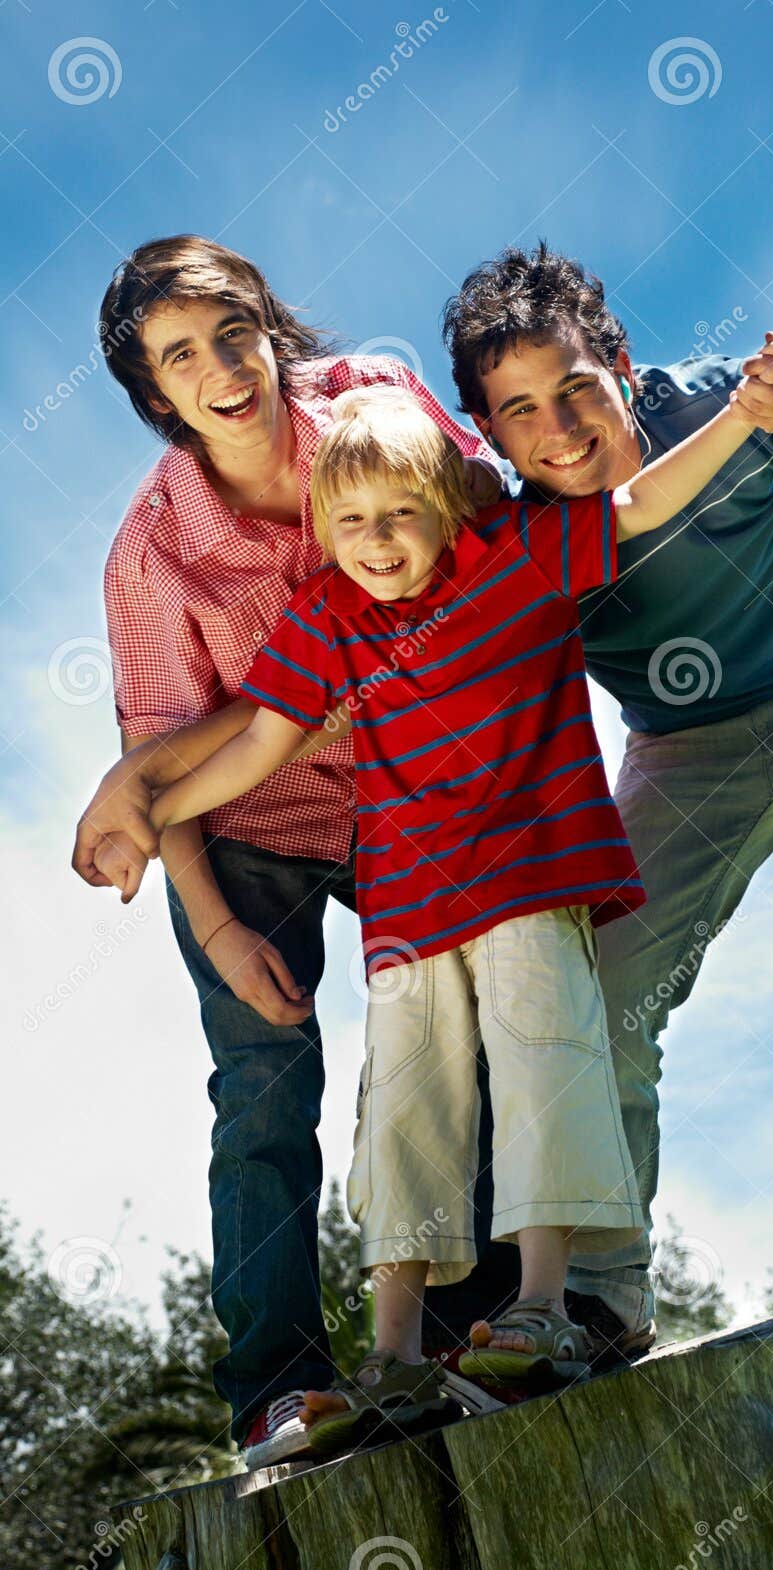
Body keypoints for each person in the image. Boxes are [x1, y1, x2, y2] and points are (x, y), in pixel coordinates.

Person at [132, 368, 771, 1452]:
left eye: (399, 514)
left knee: (541, 1073)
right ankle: (395, 1354)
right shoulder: (329, 616)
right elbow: (262, 743)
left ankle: (542, 1304)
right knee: (404, 1110)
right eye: (350, 522)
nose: (376, 540)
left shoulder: (517, 558)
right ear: (323, 532)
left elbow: (639, 503)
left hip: (528, 883)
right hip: (409, 910)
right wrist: (150, 813)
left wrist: (745, 418)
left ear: (444, 507)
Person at [441, 244, 773, 1340]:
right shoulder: (521, 541)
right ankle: (605, 1291)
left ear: (622, 367)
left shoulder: (712, 405)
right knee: (603, 985)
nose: (560, 428)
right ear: (488, 433)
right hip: (687, 746)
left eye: (576, 387)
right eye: (521, 411)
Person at [70, 235, 506, 1470]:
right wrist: (216, 928)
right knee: (263, 1090)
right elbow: (160, 772)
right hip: (247, 832)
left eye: (232, 333)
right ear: (154, 391)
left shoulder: (372, 407)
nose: (220, 370)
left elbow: (486, 532)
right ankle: (276, 1386)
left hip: (408, 793)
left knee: (463, 1041)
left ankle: (469, 1337)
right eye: (178, 357)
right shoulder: (152, 550)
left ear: (271, 328)